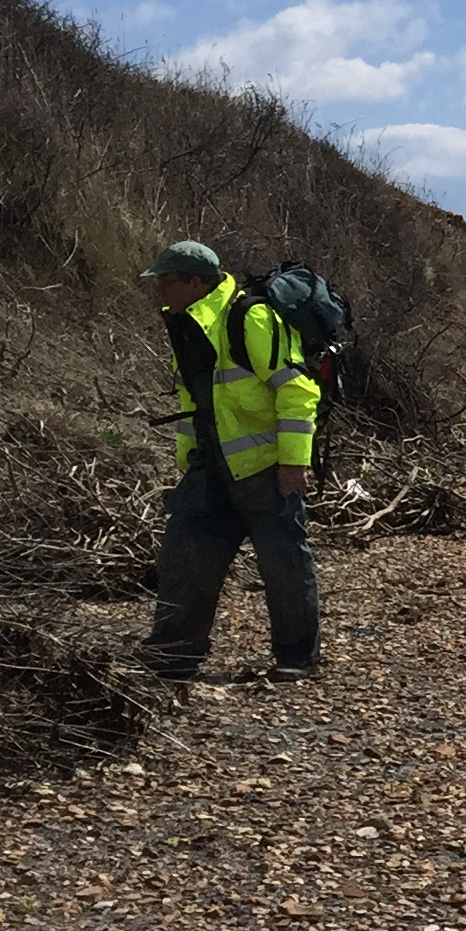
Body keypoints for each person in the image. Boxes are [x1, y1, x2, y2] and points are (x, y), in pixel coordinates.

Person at [135, 238, 323, 681]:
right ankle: (173, 654)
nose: (158, 291)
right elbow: (194, 401)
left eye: (166, 282)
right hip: (211, 468)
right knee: (185, 555)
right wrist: (190, 458)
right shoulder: (188, 324)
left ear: (196, 282)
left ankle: (296, 660)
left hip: (264, 468)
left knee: (283, 564)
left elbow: (298, 392)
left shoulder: (249, 317)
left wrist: (293, 462)